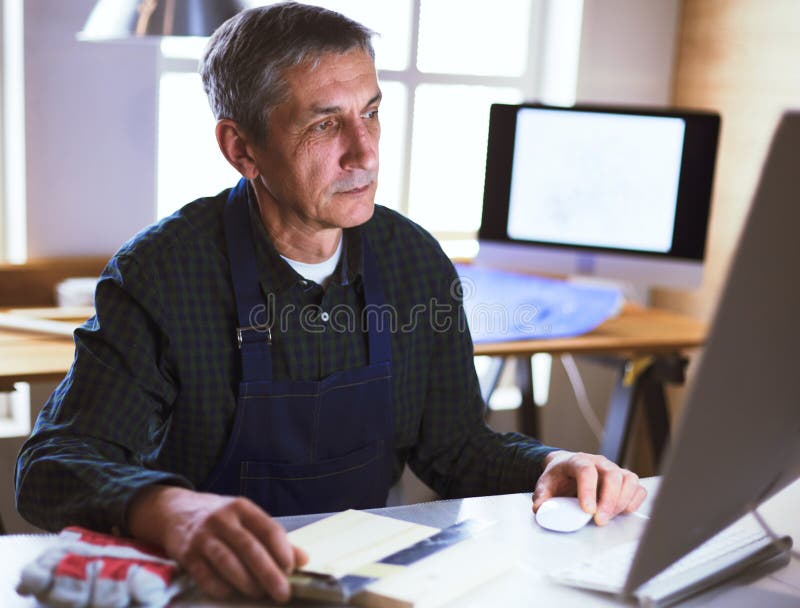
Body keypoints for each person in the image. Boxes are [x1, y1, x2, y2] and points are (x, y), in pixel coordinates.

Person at [16, 2, 646, 603]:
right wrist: (168, 508)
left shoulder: (413, 262)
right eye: (324, 125)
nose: (365, 152)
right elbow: (51, 466)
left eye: (370, 113)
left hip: (367, 587)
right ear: (241, 149)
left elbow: (454, 448)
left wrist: (552, 464)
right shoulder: (161, 273)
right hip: (210, 589)